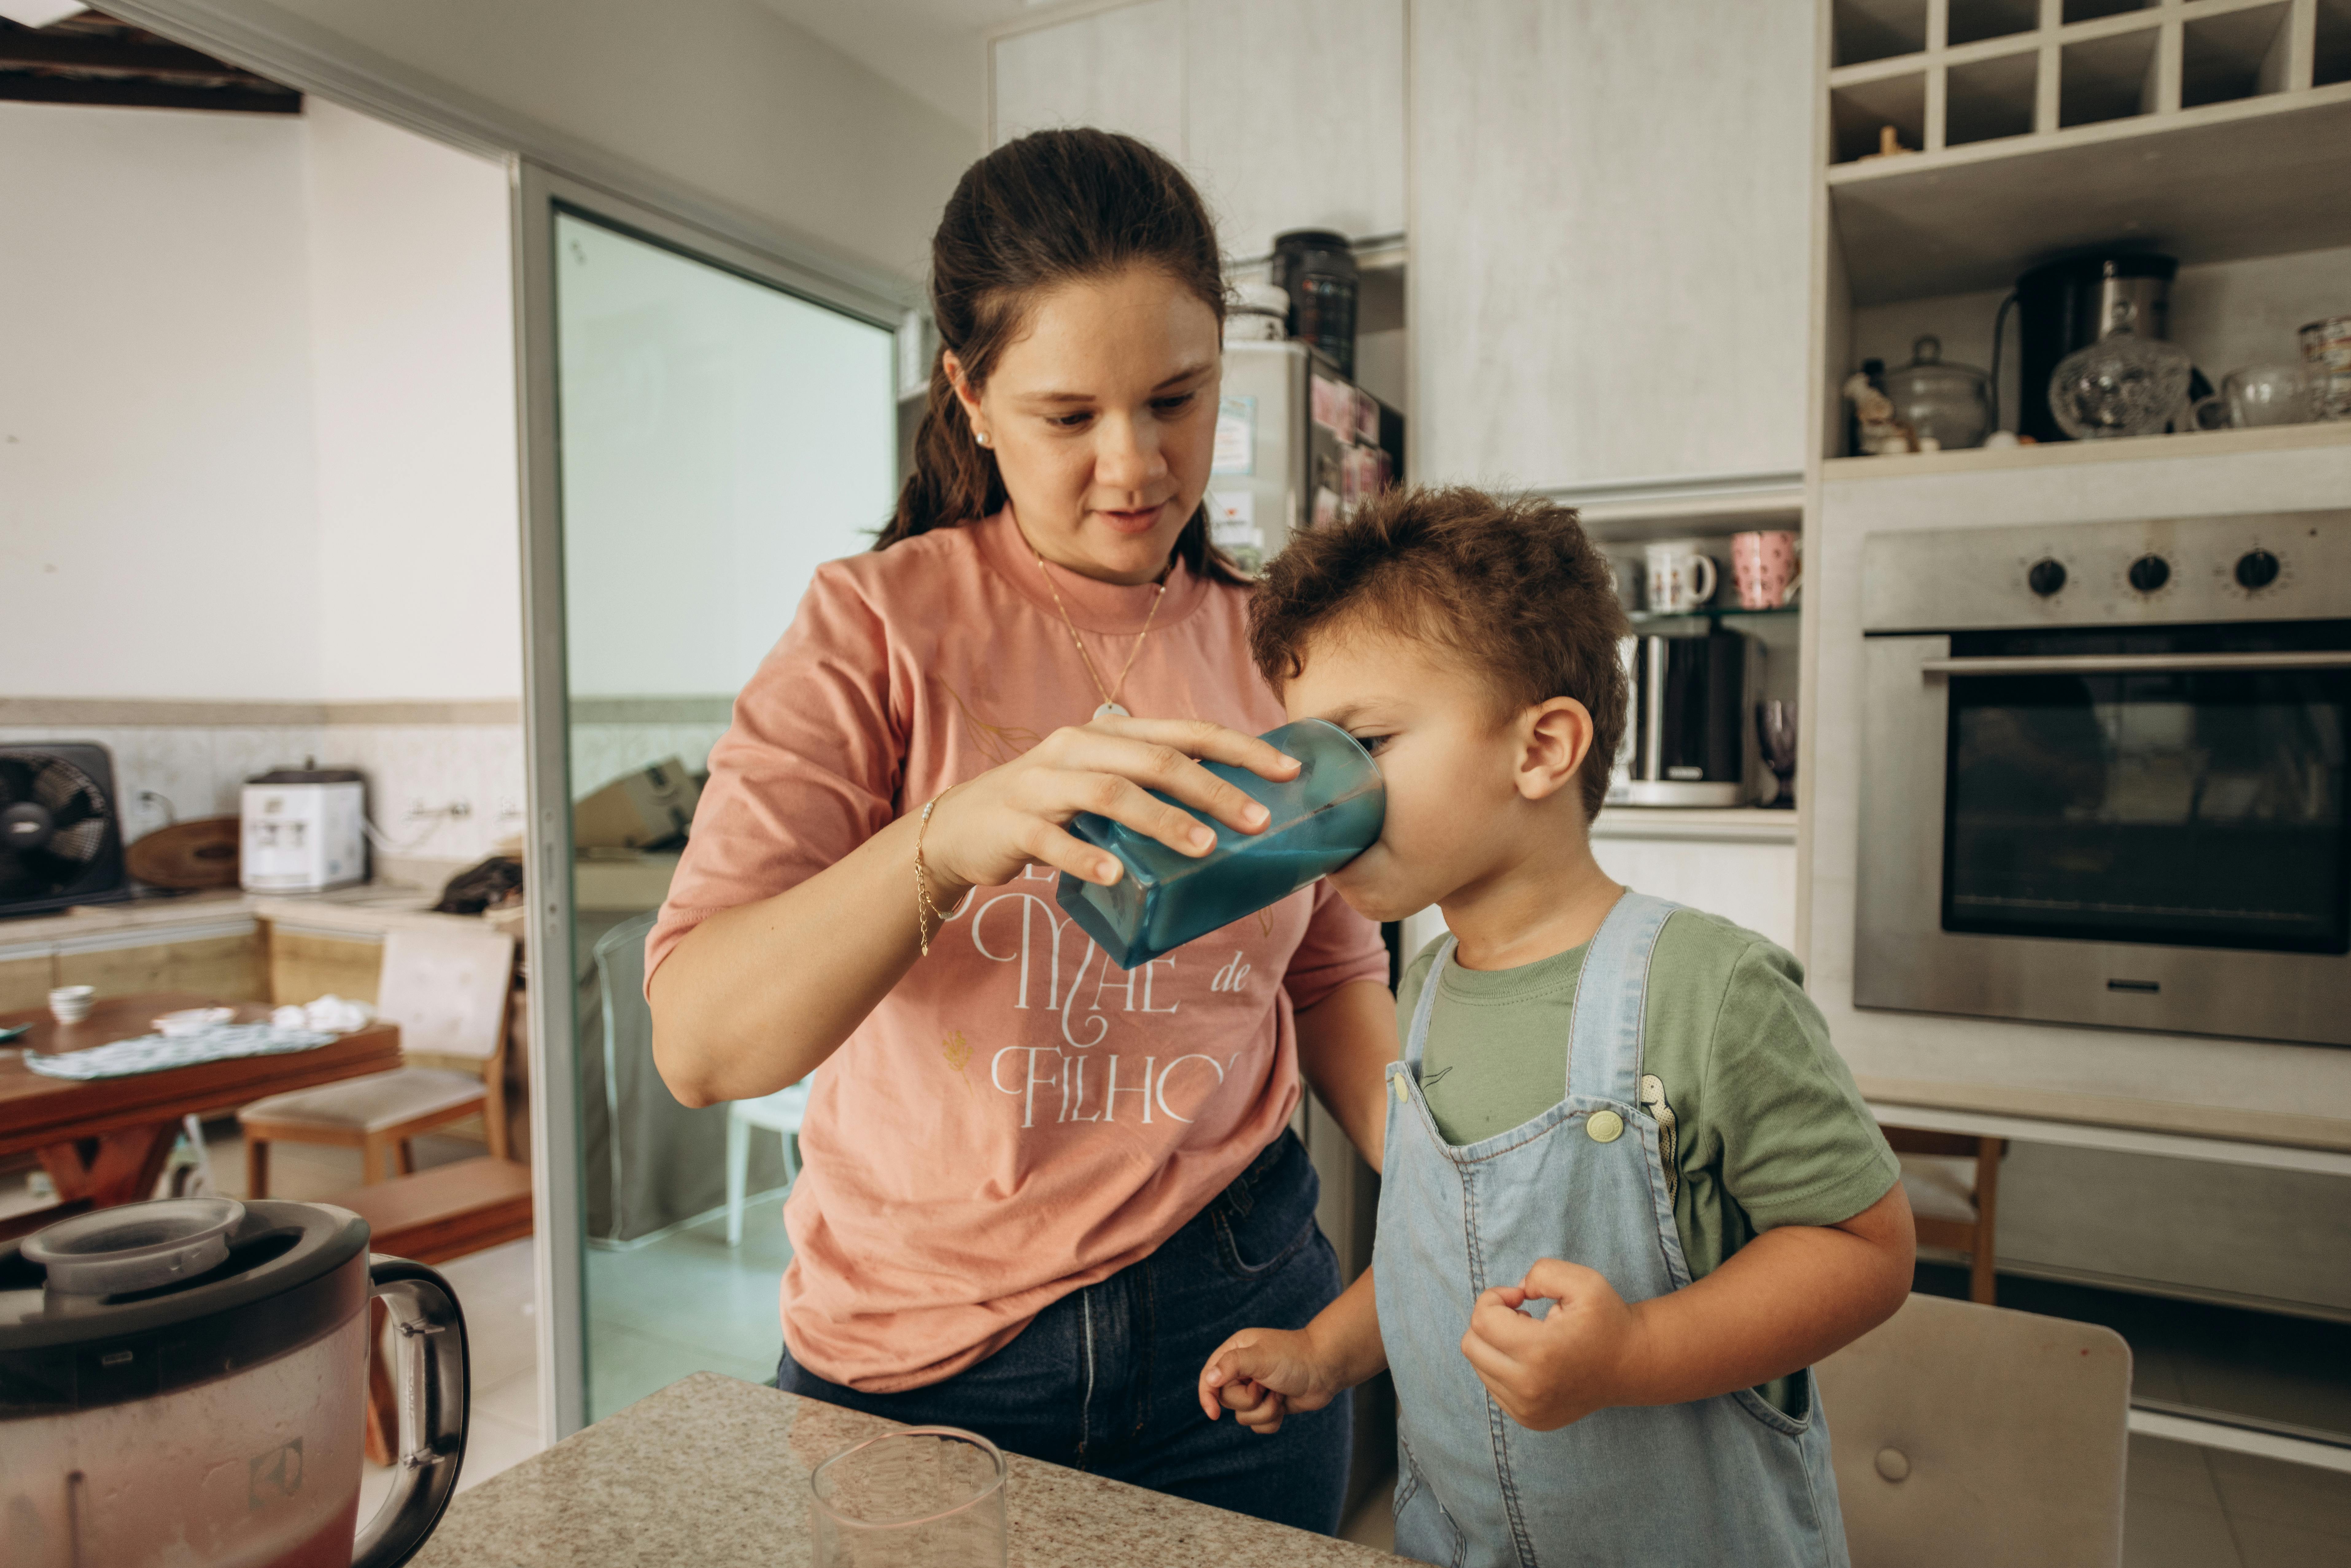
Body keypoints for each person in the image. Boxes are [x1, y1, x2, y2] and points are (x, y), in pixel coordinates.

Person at [644, 129, 1396, 1535]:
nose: (1137, 465)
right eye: (1069, 416)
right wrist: (953, 833)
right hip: (923, 1356)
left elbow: (1332, 964)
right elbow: (703, 1042)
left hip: (1241, 1321)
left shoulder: (1275, 640)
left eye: (1178, 397)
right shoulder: (873, 630)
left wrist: (1454, 1170)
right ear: (971, 398)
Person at [1194, 487, 1915, 1566]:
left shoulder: (1706, 988)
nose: (1316, 803)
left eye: (1366, 743)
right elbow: (1442, 1250)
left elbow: (1866, 1250)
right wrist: (1325, 1353)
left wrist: (1633, 1351)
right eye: (1304, 759)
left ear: (1541, 749)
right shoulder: (1426, 988)